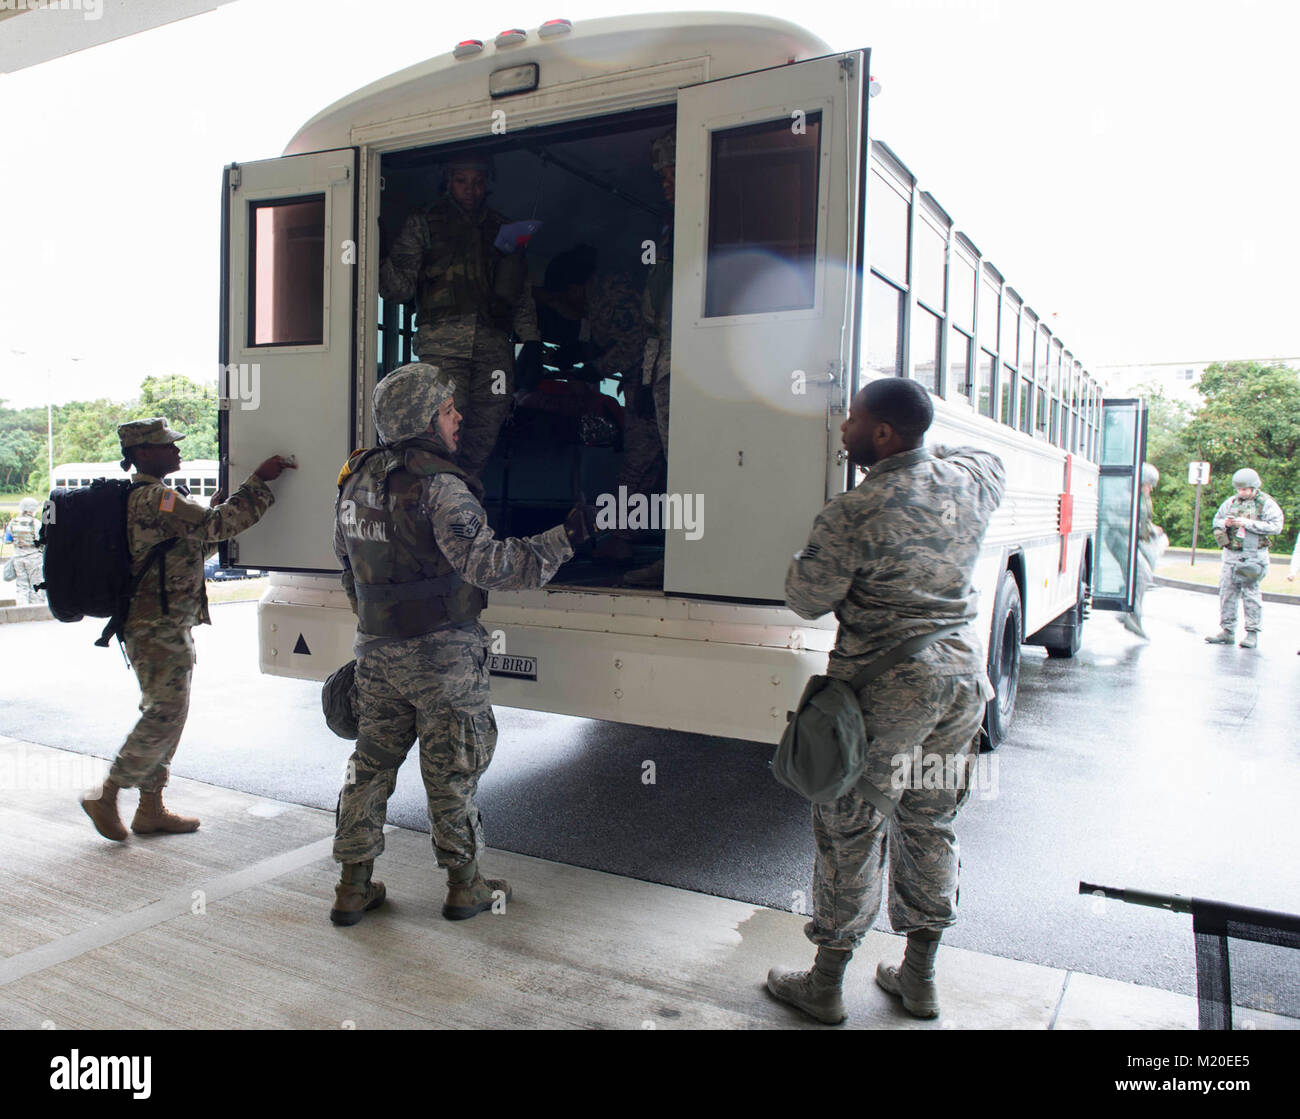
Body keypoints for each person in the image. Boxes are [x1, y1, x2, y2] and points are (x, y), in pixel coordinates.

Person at [766, 377, 1006, 1025]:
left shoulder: (852, 511)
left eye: (854, 420)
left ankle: (824, 984)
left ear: (879, 434)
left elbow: (806, 596)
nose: (841, 428)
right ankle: (919, 977)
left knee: (851, 827)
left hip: (886, 692)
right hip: (962, 683)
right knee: (931, 822)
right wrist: (920, 441)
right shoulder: (972, 482)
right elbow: (982, 456)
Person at [329, 363, 594, 927]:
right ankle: (464, 885)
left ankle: (353, 886)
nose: (459, 418)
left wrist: (381, 623)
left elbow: (347, 568)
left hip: (375, 653)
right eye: (449, 410)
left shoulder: (354, 479)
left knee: (369, 767)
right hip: (443, 657)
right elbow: (490, 565)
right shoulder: (439, 485)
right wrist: (565, 537)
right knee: (450, 773)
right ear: (424, 417)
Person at [79, 419, 295, 841]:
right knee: (164, 712)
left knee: (171, 713)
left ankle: (150, 808)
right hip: (155, 625)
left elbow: (194, 545)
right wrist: (258, 483)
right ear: (142, 453)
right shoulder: (154, 499)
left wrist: (213, 512)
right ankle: (107, 794)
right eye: (166, 446)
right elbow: (217, 527)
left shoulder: (158, 498)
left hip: (166, 622)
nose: (176, 451)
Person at [377, 154, 541, 479]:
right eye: (462, 181)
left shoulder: (504, 230)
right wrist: (378, 254)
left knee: (483, 439)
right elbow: (399, 287)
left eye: (478, 182)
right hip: (442, 349)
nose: (471, 189)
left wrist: (532, 341)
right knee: (441, 437)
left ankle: (466, 511)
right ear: (448, 180)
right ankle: (440, 510)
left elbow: (520, 293)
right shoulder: (423, 223)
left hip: (494, 351)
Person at [621, 129, 675, 587]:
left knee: (691, 467)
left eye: (672, 171)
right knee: (678, 465)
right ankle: (675, 559)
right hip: (663, 364)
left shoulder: (706, 225)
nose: (666, 182)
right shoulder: (671, 228)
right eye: (662, 175)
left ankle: (683, 561)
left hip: (686, 365)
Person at [1205, 467, 1283, 649]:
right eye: (1239, 489)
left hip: (1253, 555)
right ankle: (1227, 630)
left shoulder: (1266, 504)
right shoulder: (1231, 502)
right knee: (1227, 592)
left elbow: (1276, 526)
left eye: (1244, 489)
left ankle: (1252, 633)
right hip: (1231, 554)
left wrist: (1249, 524)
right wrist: (1226, 523)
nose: (1241, 492)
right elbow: (1216, 519)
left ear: (1253, 488)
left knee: (1251, 594)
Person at [1118, 462, 1166, 640]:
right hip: (1121, 540)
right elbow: (1117, 521)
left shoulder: (1142, 499)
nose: (1150, 490)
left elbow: (1143, 522)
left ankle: (1133, 615)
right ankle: (1125, 610)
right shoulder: (1126, 498)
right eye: (1148, 485)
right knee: (1141, 575)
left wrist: (1152, 529)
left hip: (1135, 541)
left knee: (1143, 575)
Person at [8, 497, 45, 605]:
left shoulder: (13, 522)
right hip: (34, 558)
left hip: (18, 558)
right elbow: (42, 540)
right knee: (36, 584)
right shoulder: (36, 523)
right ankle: (36, 608)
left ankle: (22, 607)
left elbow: (8, 539)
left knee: (21, 586)